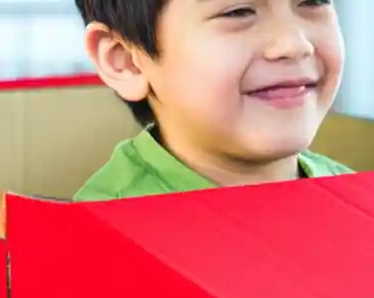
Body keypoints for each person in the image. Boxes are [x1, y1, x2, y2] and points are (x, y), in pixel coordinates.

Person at [72, 0, 353, 201]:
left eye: (313, 2)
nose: (295, 44)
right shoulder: (100, 238)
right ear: (127, 61)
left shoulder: (359, 197)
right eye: (238, 12)